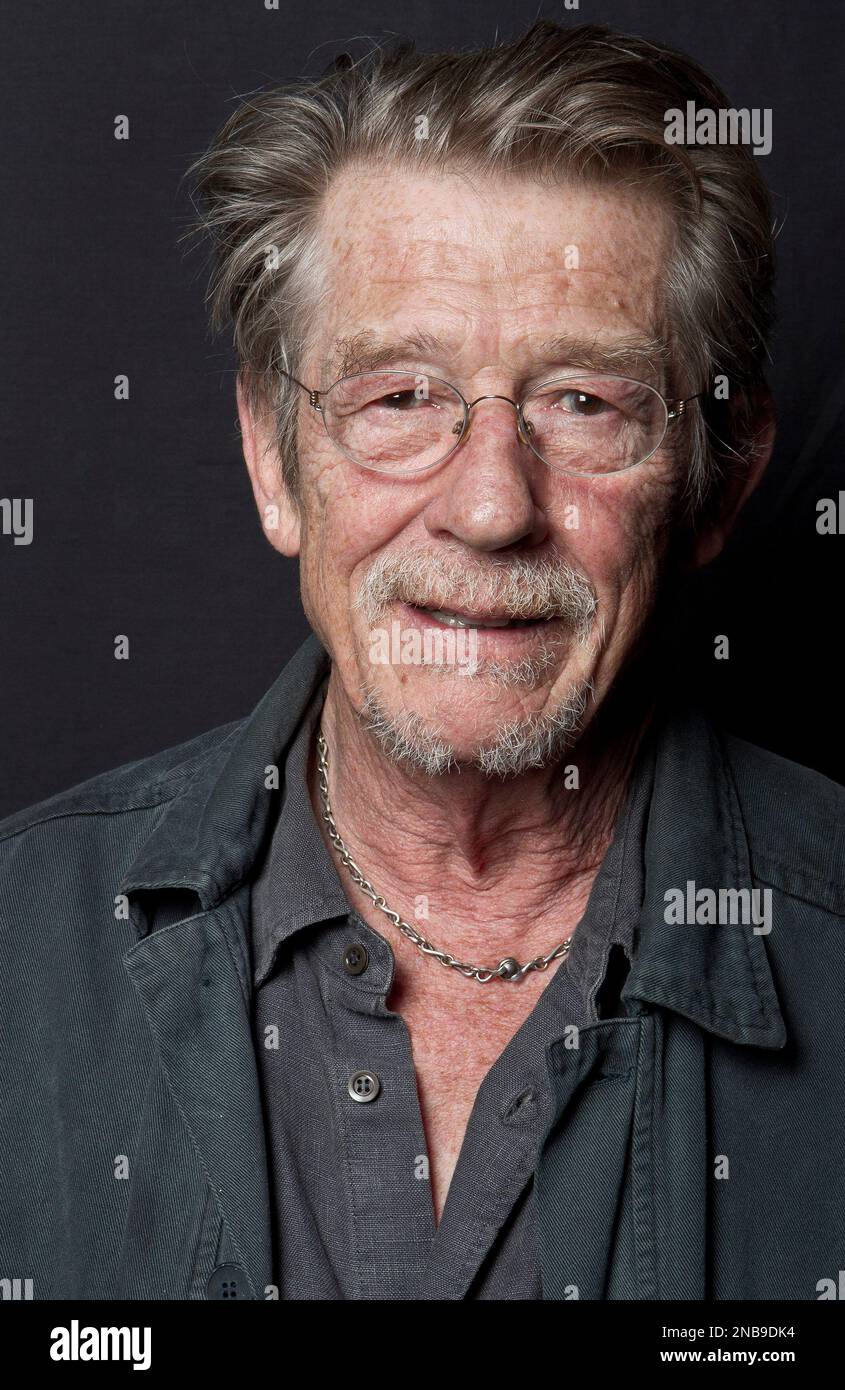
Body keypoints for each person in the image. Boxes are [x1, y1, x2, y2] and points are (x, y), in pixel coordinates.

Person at [2, 20, 843, 1302]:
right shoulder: (24, 952)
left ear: (719, 481)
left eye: (585, 402)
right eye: (398, 396)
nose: (491, 505)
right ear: (273, 458)